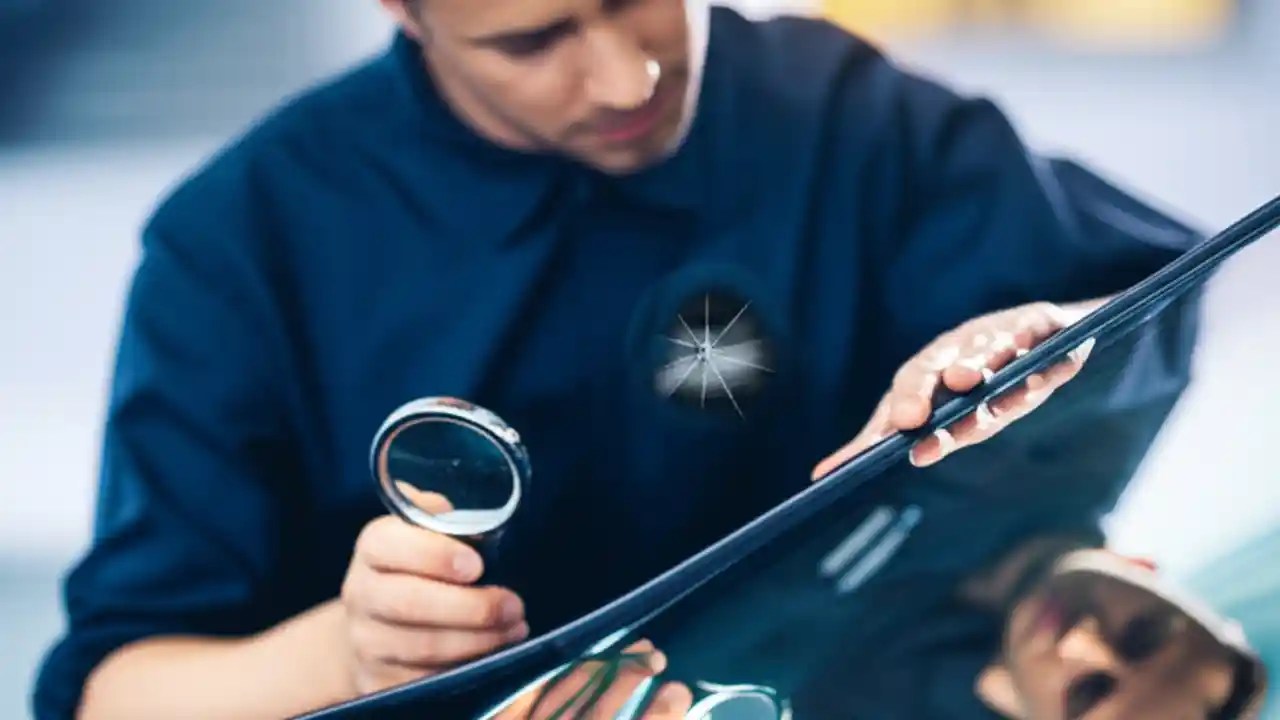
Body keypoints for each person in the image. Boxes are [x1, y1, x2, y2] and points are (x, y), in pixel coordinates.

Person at [32, 0, 1208, 717]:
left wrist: (1025, 339)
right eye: (531, 39)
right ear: (402, 10)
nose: (625, 78)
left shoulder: (834, 106)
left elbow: (1142, 303)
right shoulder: (244, 240)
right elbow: (116, 694)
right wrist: (350, 651)